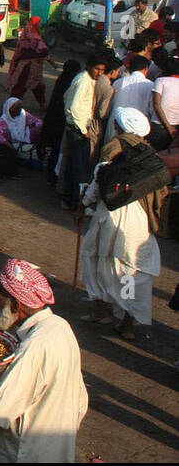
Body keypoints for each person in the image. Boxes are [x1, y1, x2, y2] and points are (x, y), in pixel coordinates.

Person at [0, 259, 88, 463]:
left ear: (15, 304)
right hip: (56, 444)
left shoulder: (33, 348)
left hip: (26, 452)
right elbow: (80, 398)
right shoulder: (60, 326)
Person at [78, 107, 164, 340]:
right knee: (133, 270)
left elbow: (97, 184)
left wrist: (84, 202)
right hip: (140, 222)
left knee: (94, 259)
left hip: (111, 218)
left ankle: (102, 310)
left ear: (118, 128)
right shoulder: (150, 157)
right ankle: (127, 323)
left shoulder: (112, 152)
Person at [60, 53, 107, 210]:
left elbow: (66, 96)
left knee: (73, 166)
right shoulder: (84, 82)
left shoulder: (84, 79)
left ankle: (69, 199)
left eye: (102, 70)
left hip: (75, 128)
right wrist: (83, 129)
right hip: (78, 130)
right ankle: (76, 203)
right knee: (80, 169)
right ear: (89, 66)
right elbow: (73, 107)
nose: (99, 73)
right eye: (97, 69)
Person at [42, 59, 82, 186]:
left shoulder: (62, 80)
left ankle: (50, 174)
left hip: (53, 119)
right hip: (61, 121)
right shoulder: (71, 83)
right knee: (58, 149)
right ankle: (54, 176)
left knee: (53, 148)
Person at [6, 16, 52, 110]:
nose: (40, 25)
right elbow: (42, 51)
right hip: (30, 67)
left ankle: (41, 104)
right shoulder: (34, 36)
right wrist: (51, 62)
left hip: (26, 65)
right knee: (23, 86)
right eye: (39, 23)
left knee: (34, 86)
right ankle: (12, 106)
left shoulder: (26, 34)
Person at [0, 97, 43, 174]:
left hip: (24, 142)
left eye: (20, 107)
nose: (19, 109)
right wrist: (11, 147)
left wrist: (38, 127)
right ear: (10, 109)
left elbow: (37, 121)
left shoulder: (24, 115)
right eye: (16, 108)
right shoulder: (4, 120)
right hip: (11, 143)